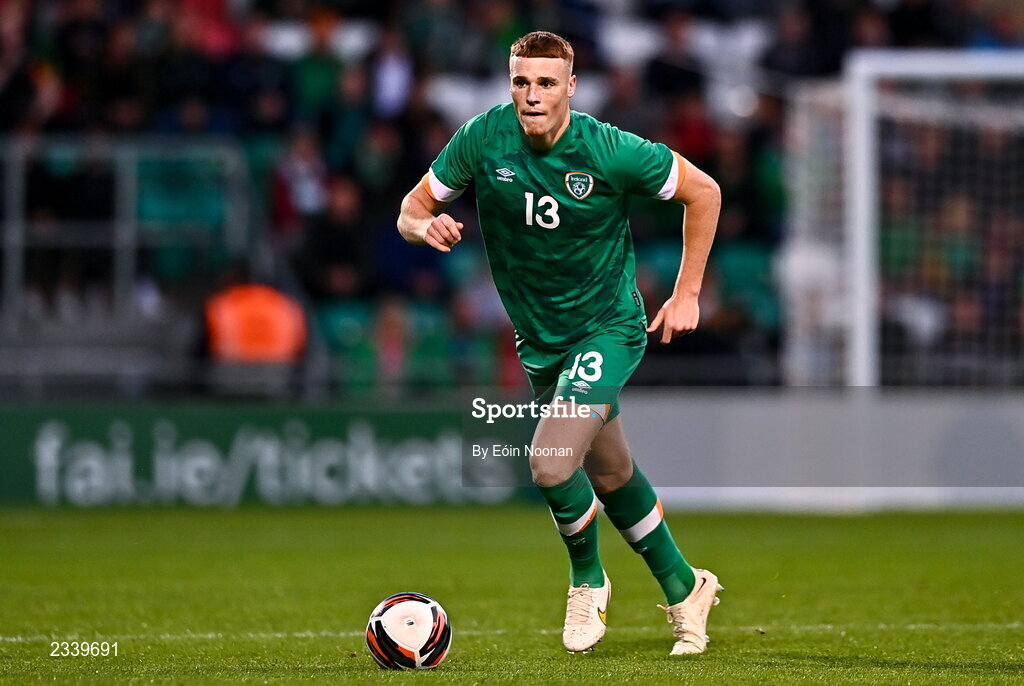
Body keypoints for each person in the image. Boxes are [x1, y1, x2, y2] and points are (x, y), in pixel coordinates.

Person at [397, 31, 722, 656]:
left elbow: (703, 191)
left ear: (571, 86)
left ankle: (586, 580)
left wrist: (686, 294)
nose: (532, 95)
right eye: (521, 81)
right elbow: (410, 209)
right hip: (541, 341)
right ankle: (686, 589)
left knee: (549, 462)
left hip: (607, 328)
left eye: (547, 83)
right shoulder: (482, 139)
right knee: (612, 472)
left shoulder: (608, 149)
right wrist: (423, 224)